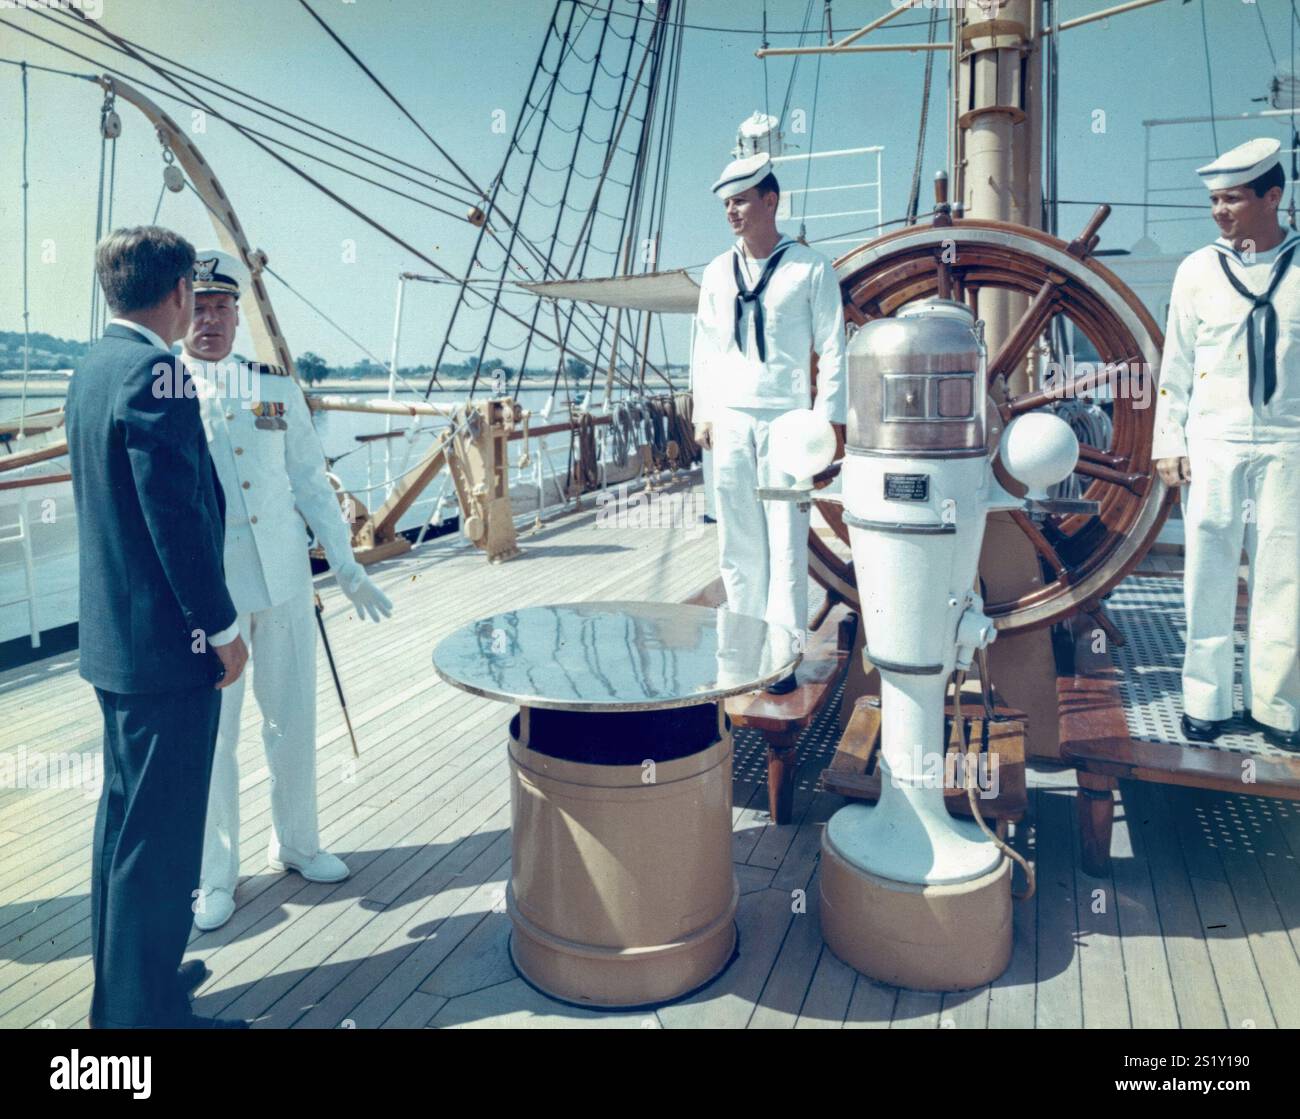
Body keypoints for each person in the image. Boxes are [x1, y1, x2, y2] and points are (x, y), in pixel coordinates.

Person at [67, 226, 250, 1028]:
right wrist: (221, 629)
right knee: (161, 841)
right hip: (167, 657)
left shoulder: (94, 367)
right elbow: (173, 519)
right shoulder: (158, 374)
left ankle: (130, 993)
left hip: (118, 647)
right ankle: (143, 1024)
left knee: (124, 832)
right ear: (177, 293)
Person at [180, 250, 394, 931]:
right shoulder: (165, 391)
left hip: (285, 583)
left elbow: (310, 483)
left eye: (222, 307)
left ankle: (297, 841)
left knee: (292, 718)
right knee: (216, 736)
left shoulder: (272, 388)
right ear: (181, 309)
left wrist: (349, 566)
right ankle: (216, 875)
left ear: (239, 316)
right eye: (199, 306)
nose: (210, 320)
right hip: (214, 598)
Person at [1153, 136, 1300, 750]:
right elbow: (1176, 365)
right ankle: (1205, 704)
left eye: (1233, 199)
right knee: (1207, 573)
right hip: (1214, 441)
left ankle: (1278, 708)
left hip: (1290, 444)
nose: (1220, 211)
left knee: (1285, 577)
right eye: (1214, 200)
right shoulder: (1196, 271)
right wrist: (1168, 439)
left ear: (1273, 196)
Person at [690, 152, 847, 692]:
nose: (731, 210)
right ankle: (743, 652)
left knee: (785, 544)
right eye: (726, 203)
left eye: (741, 200)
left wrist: (828, 426)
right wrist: (702, 412)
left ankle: (781, 661)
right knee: (738, 544)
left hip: (787, 426)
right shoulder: (715, 273)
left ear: (770, 200)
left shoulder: (810, 268)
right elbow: (705, 351)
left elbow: (832, 349)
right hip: (731, 422)